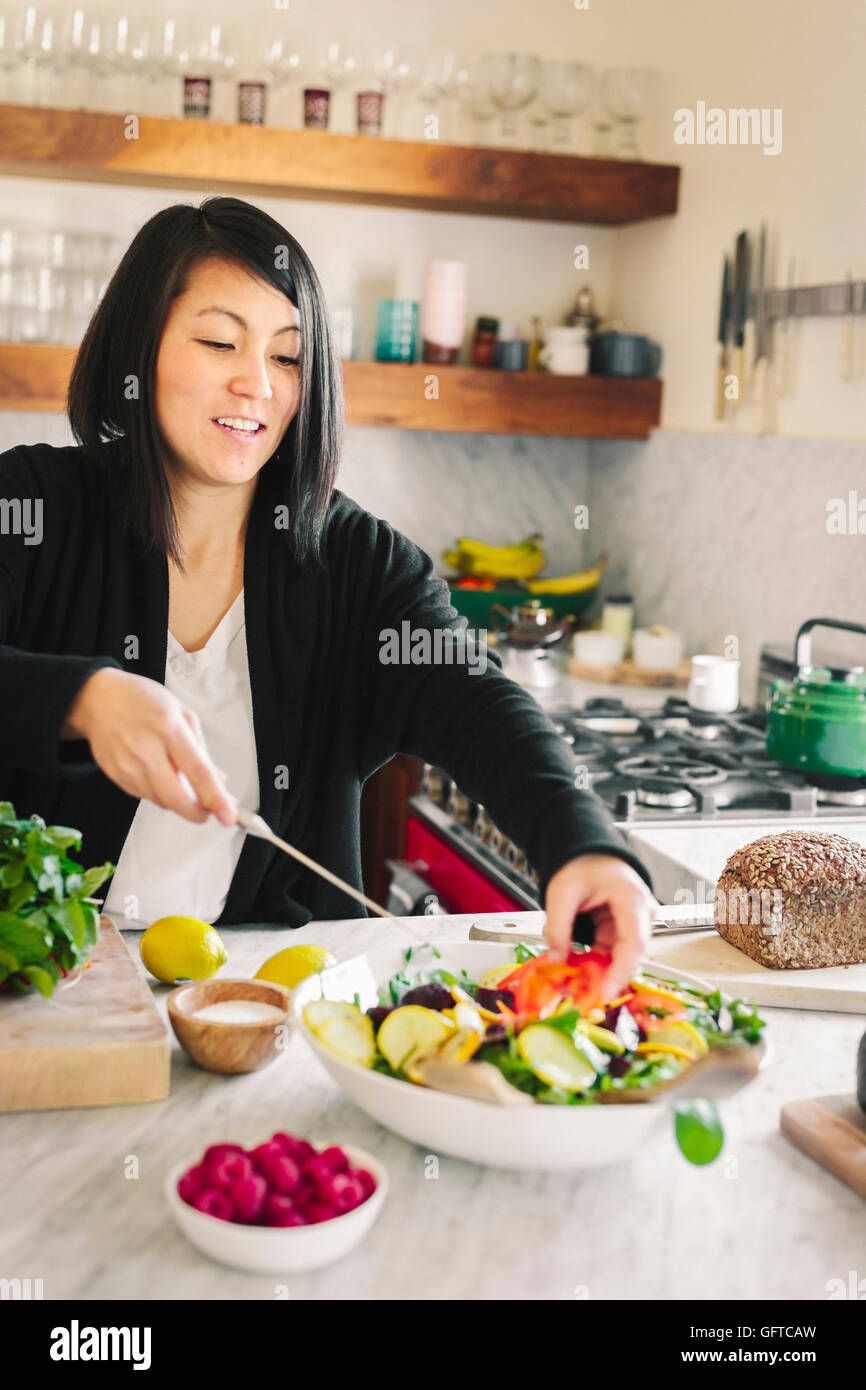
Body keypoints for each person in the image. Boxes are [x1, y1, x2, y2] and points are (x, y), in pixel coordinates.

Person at [0, 196, 657, 995]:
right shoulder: (32, 507)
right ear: (139, 348)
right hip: (39, 996)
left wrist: (584, 845)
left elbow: (478, 701)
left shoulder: (358, 564)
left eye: (288, 357)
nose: (256, 385)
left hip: (269, 1006)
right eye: (219, 342)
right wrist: (81, 699)